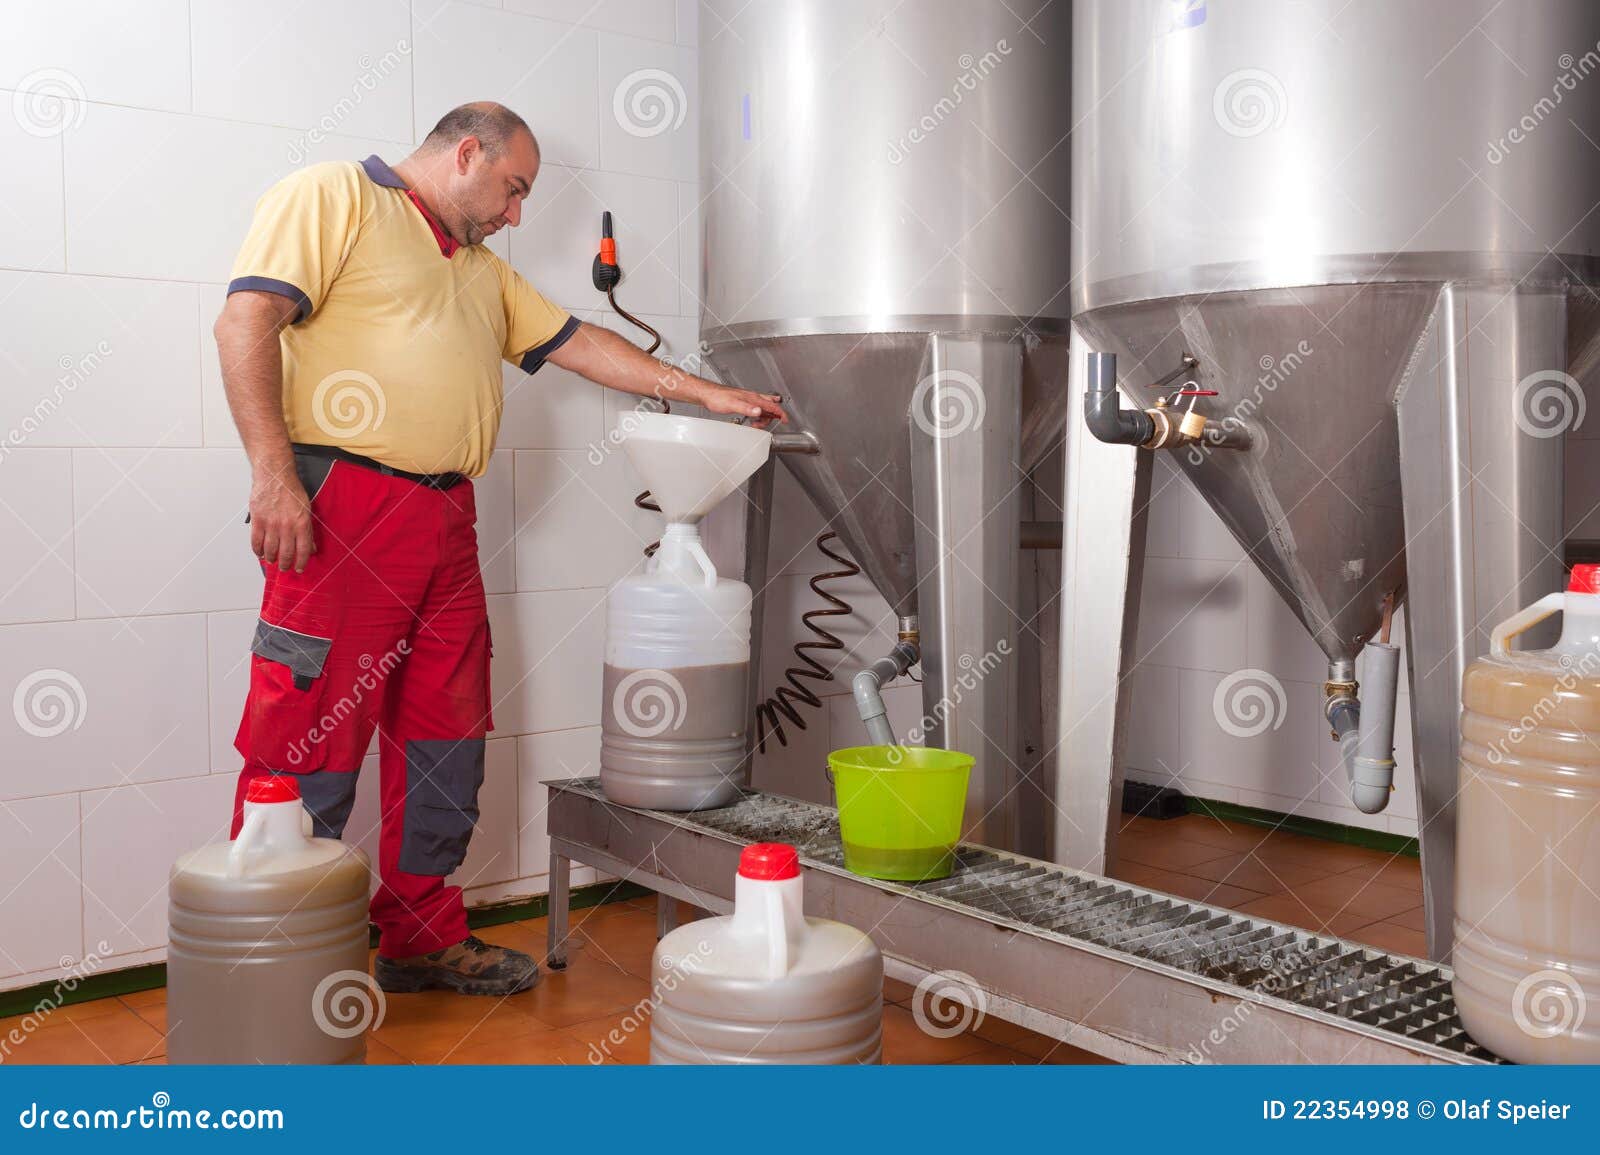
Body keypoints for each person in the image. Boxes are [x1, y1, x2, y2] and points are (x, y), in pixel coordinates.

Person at [215, 101, 786, 997]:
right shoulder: (335, 198)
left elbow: (581, 341)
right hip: (344, 506)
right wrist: (271, 475)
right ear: (468, 152)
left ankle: (418, 934)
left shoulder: (479, 272)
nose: (517, 214)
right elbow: (244, 323)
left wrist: (704, 393)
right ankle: (277, 962)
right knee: (311, 722)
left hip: (446, 519)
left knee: (447, 727)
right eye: (514, 189)